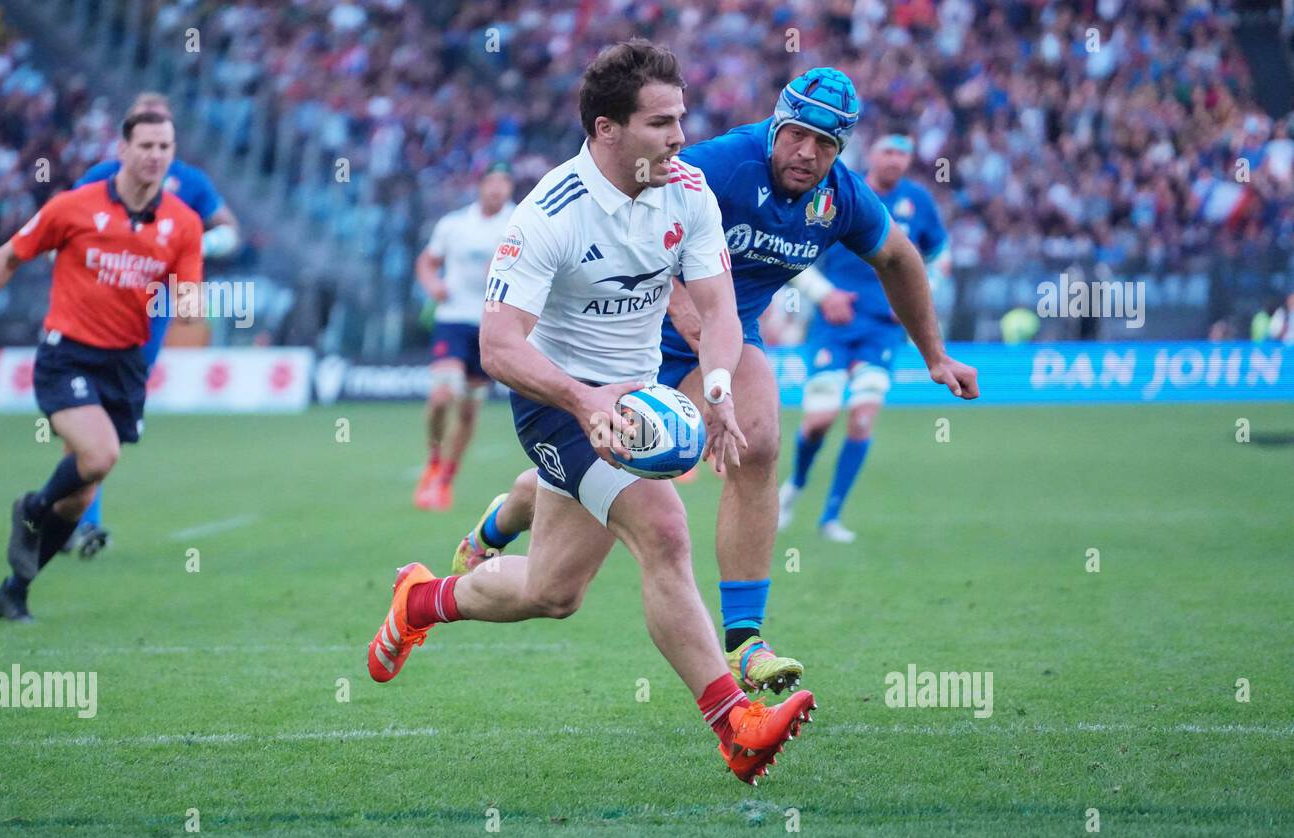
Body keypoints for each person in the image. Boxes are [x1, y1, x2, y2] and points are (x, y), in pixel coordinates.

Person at [366, 39, 815, 785]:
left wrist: (719, 389)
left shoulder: (689, 191)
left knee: (554, 591)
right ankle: (735, 723)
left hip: (636, 397)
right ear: (607, 129)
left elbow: (719, 310)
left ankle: (425, 598)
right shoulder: (550, 213)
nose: (678, 137)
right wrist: (584, 399)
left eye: (681, 119)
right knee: (665, 529)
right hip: (557, 403)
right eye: (660, 123)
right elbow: (499, 348)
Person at [452, 69, 979, 696]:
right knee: (567, 563)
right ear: (776, 126)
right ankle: (500, 522)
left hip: (722, 344)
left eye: (827, 144)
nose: (808, 153)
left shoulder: (841, 198)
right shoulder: (718, 165)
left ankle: (745, 642)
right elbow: (638, 219)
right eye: (798, 136)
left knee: (756, 441)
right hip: (628, 352)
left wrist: (934, 354)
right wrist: (674, 300)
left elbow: (898, 257)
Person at [0, 111, 204, 621]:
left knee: (82, 491)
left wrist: (193, 305)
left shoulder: (183, 223)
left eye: (165, 147)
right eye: (147, 145)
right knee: (99, 455)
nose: (156, 155)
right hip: (67, 355)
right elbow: (11, 256)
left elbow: (189, 296)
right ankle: (32, 509)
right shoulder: (72, 207)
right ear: (123, 149)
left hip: (126, 365)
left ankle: (15, 589)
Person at [65, 92, 240, 557]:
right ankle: (82, 522)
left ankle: (56, 513)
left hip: (148, 321)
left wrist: (194, 245)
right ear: (128, 136)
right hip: (93, 317)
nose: (155, 149)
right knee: (94, 423)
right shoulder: (101, 177)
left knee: (101, 430)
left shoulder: (190, 183)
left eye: (163, 131)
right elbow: (64, 225)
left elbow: (229, 230)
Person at [778, 132, 951, 542]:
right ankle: (794, 488)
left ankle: (831, 518)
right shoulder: (837, 192)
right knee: (819, 421)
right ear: (872, 152)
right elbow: (788, 249)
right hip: (834, 324)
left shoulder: (918, 202)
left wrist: (917, 294)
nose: (896, 160)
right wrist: (825, 294)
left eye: (904, 153)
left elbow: (942, 255)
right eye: (889, 151)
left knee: (862, 417)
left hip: (883, 329)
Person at [412, 162, 516, 510]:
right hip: (453, 317)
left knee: (469, 411)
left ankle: (445, 479)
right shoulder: (454, 224)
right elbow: (426, 261)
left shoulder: (519, 222)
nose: (497, 189)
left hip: (490, 322)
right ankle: (433, 459)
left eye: (504, 182)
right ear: (480, 185)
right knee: (443, 395)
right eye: (492, 181)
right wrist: (432, 285)